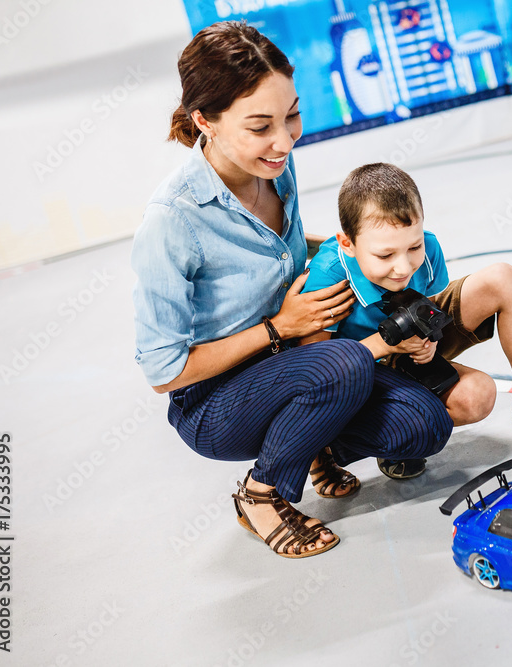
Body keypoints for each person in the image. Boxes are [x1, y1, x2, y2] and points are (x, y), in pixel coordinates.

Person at [131, 22, 453, 559]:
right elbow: (164, 372)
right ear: (204, 120)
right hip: (217, 400)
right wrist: (279, 327)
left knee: (424, 426)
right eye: (260, 126)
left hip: (301, 362)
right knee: (346, 362)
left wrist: (357, 252)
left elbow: (279, 248)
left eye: (291, 115)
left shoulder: (275, 167)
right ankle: (261, 495)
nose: (284, 141)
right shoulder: (172, 222)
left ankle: (309, 442)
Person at [301, 163, 512, 480]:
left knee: (504, 280)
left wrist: (427, 338)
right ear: (347, 244)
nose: (403, 267)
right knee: (473, 398)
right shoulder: (328, 277)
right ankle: (387, 440)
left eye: (414, 247)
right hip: (361, 367)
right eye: (385, 255)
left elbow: (426, 306)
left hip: (407, 336)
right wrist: (387, 346)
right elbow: (318, 370)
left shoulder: (428, 247)